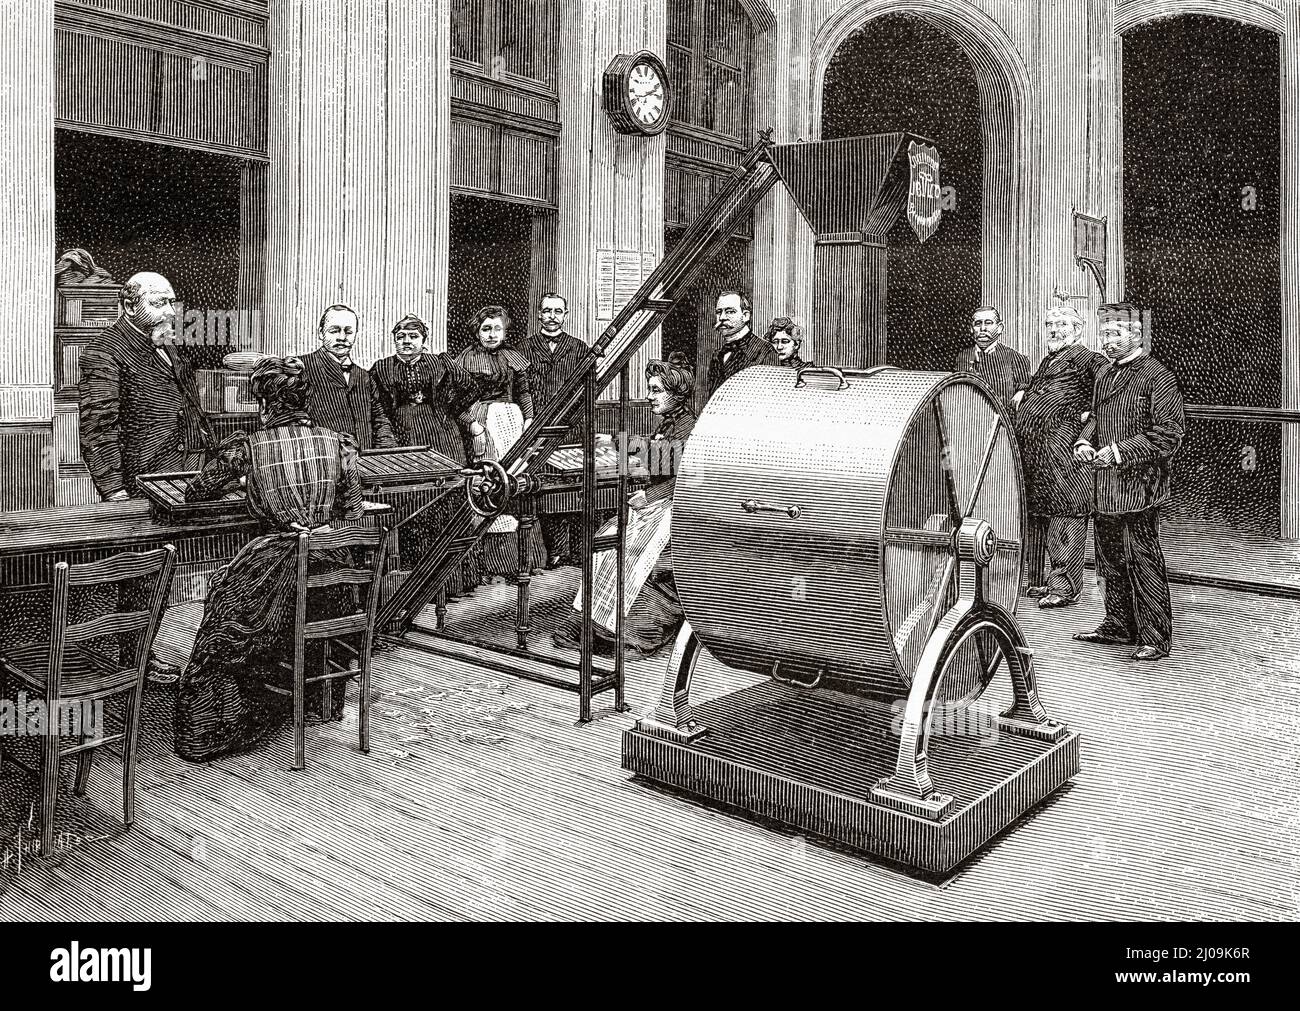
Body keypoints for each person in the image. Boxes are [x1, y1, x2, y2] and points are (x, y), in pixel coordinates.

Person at [174, 357, 367, 762]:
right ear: (304, 402)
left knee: (226, 623)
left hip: (277, 569)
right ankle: (317, 703)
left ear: (264, 405)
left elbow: (196, 493)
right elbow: (352, 512)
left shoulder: (248, 447)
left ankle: (220, 724)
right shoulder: (339, 444)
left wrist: (250, 483)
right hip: (333, 579)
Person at [553, 352, 697, 655]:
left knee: (629, 549)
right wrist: (612, 441)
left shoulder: (688, 426)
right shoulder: (671, 423)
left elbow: (681, 474)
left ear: (676, 393)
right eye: (650, 389)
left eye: (656, 390)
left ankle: (635, 634)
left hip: (676, 508)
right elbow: (650, 446)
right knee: (605, 539)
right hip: (655, 506)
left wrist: (650, 496)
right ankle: (590, 624)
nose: (649, 396)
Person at [1072, 306, 1185, 661]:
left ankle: (1154, 636)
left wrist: (1120, 451)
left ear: (1136, 335)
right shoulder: (1105, 373)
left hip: (1138, 486)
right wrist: (1084, 441)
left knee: (1142, 560)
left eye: (1115, 335)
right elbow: (1095, 418)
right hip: (1105, 487)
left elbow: (1168, 435)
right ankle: (1118, 625)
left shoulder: (1157, 375)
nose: (1107, 342)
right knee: (1109, 560)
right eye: (1104, 335)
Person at [78, 271, 207, 501]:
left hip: (189, 473)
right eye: (159, 303)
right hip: (144, 483)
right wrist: (114, 491)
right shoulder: (103, 351)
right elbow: (98, 430)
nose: (170, 311)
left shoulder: (166, 342)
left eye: (171, 302)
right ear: (129, 306)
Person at [1015, 306, 1107, 608]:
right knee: (1038, 517)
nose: (1054, 330)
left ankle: (1064, 589)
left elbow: (1104, 407)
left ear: (1078, 330)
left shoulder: (1091, 361)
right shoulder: (1048, 360)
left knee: (1066, 518)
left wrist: (1085, 437)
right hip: (1038, 454)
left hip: (1066, 456)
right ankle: (1038, 582)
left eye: (1062, 325)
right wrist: (1024, 392)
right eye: (1050, 325)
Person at [455, 306, 543, 575]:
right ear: (476, 331)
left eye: (497, 329)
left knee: (515, 481)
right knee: (490, 484)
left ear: (505, 331)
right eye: (486, 329)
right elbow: (457, 401)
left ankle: (524, 562)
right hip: (483, 422)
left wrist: (529, 421)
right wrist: (473, 427)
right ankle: (489, 565)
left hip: (512, 421)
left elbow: (524, 393)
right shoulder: (466, 359)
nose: (492, 335)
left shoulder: (512, 357)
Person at [520, 293, 591, 567]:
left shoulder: (579, 348)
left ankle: (578, 551)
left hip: (573, 427)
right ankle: (555, 551)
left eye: (558, 311)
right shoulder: (523, 349)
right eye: (547, 311)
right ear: (538, 314)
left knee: (575, 488)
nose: (552, 316)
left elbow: (589, 388)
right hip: (539, 427)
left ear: (566, 314)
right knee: (548, 491)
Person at [372, 313, 486, 463]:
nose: (406, 341)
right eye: (401, 337)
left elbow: (471, 387)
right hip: (402, 428)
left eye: (413, 336)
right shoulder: (382, 367)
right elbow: (375, 404)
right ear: (394, 340)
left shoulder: (440, 362)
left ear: (423, 340)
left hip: (439, 427)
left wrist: (451, 408)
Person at [300, 304, 397, 450]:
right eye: (334, 331)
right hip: (324, 461)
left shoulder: (364, 376)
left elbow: (380, 421)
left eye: (349, 332)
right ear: (321, 333)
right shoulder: (302, 368)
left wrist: (387, 455)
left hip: (364, 463)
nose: (342, 337)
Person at [954, 306, 1031, 412]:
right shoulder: (962, 357)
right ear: (971, 329)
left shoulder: (1016, 359)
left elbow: (1026, 393)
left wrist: (1021, 393)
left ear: (1000, 328)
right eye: (978, 323)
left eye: (988, 323)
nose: (983, 328)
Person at [707, 290, 778, 399]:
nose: (722, 317)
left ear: (745, 316)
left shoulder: (765, 350)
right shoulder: (718, 355)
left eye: (730, 312)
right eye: (718, 312)